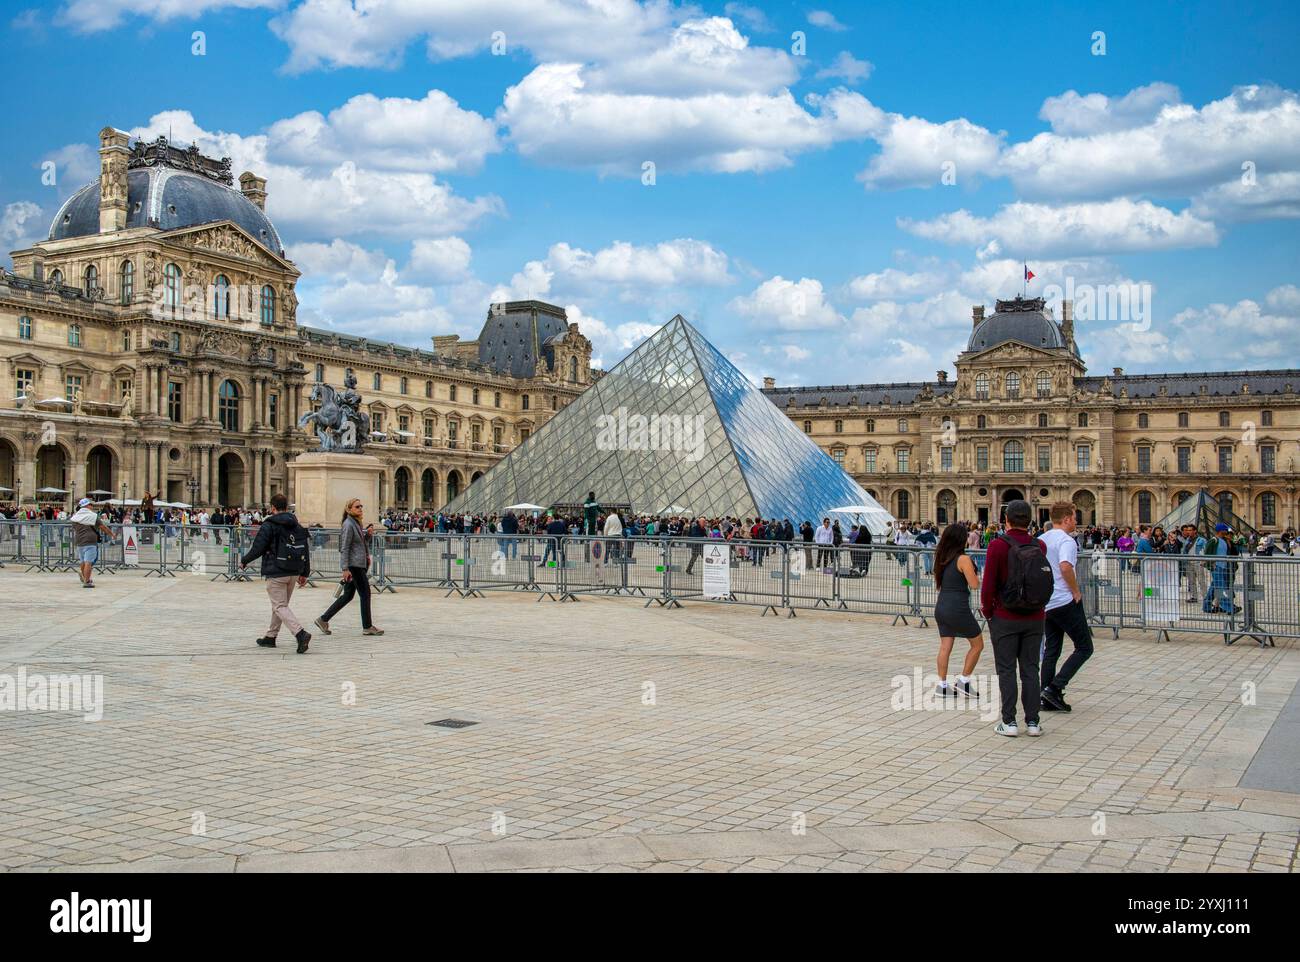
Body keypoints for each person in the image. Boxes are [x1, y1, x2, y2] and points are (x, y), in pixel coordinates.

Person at [980, 499, 1052, 737]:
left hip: (1005, 616)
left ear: (1005, 519)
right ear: (1031, 521)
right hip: (1035, 616)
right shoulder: (1039, 545)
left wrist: (989, 613)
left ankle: (1009, 722)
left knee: (1007, 670)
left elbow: (988, 585)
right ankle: (1033, 722)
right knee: (1031, 669)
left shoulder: (998, 546)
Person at [240, 492, 312, 654]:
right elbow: (305, 550)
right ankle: (271, 636)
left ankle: (300, 633)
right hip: (294, 570)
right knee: (280, 605)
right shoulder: (297, 525)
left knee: (279, 605)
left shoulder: (269, 524)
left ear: (272, 508)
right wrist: (304, 572)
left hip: (276, 570)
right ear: (286, 507)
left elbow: (259, 546)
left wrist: (245, 559)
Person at [1039, 502, 1093, 713]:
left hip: (1046, 603)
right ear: (1067, 519)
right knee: (1085, 647)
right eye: (1075, 517)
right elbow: (1065, 566)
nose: (1076, 521)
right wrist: (1076, 591)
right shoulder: (1067, 541)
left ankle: (1046, 697)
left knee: (1051, 650)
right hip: (1063, 600)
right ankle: (1055, 687)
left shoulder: (1041, 539)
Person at [315, 498, 383, 636]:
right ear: (349, 509)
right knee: (365, 594)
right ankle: (367, 626)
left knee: (347, 596)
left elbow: (358, 543)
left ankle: (323, 619)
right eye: (357, 506)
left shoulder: (355, 523)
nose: (360, 508)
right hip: (354, 566)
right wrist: (345, 568)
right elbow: (344, 547)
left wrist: (368, 536)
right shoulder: (348, 524)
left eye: (361, 506)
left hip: (358, 564)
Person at [932, 523, 984, 699]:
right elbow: (974, 585)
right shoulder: (963, 559)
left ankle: (942, 685)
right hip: (958, 607)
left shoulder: (941, 557)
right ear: (961, 539)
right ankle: (964, 680)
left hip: (942, 606)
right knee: (978, 644)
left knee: (945, 646)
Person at [69, 498, 113, 588]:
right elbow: (103, 527)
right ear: (88, 505)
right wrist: (111, 534)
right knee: (88, 562)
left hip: (79, 541)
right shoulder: (93, 516)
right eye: (91, 505)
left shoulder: (75, 517)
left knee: (83, 561)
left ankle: (85, 577)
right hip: (90, 541)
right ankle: (87, 581)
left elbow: (74, 527)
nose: (92, 506)